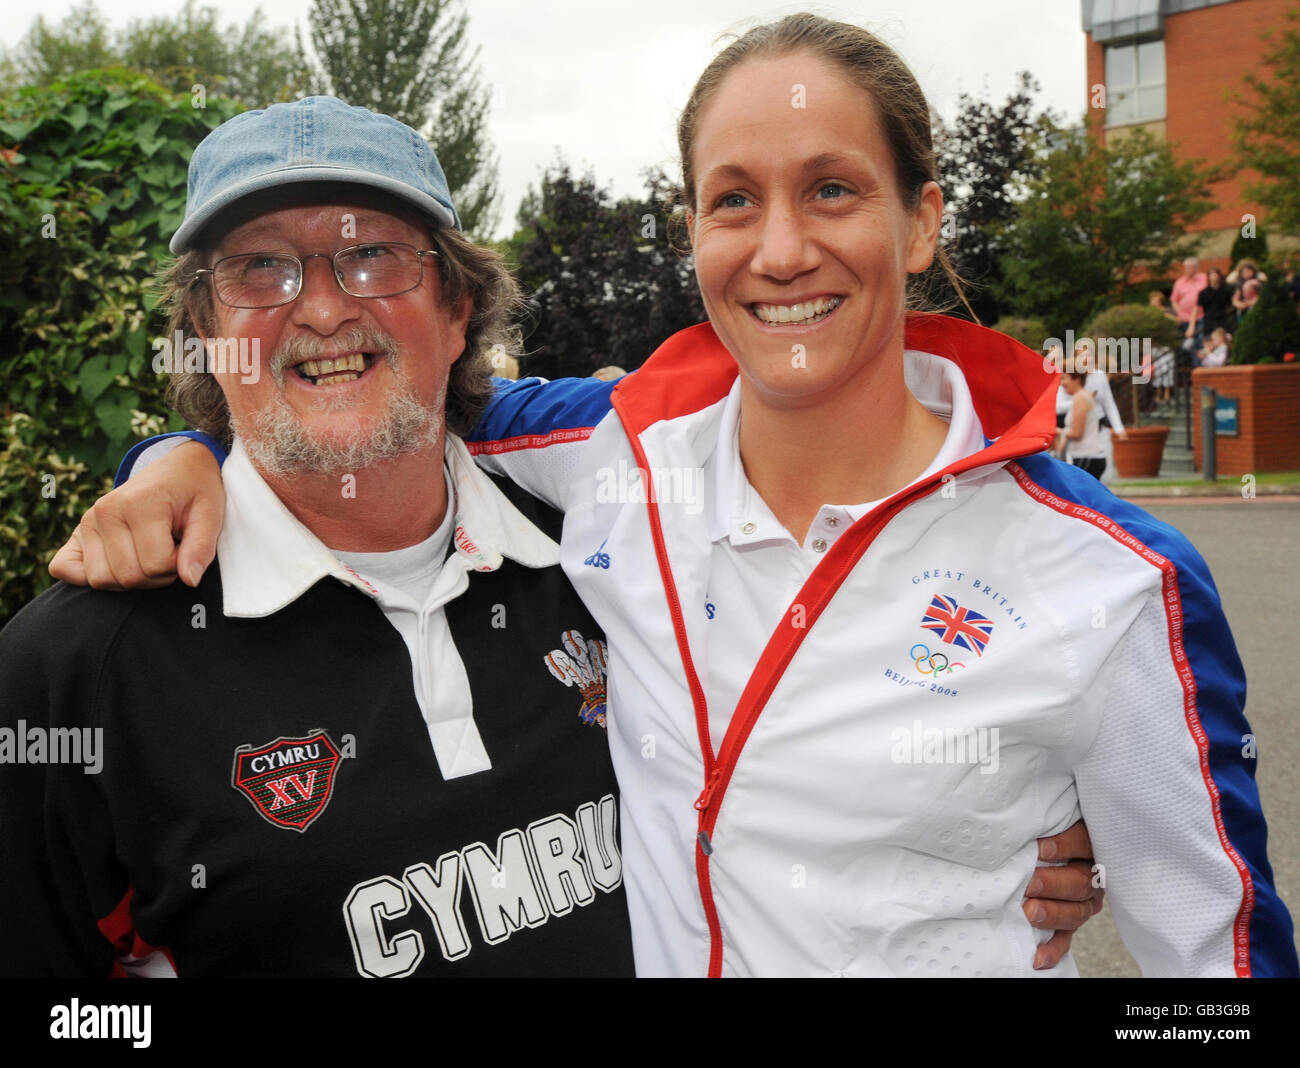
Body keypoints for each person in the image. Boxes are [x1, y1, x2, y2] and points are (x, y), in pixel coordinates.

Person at [51, 14, 1296, 977]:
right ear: (692, 231)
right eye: (733, 200)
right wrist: (177, 457)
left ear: (920, 222)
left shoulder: (1111, 579)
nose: (781, 249)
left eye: (833, 189)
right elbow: (357, 409)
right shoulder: (607, 451)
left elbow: (1218, 964)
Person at [0, 98, 636, 976]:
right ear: (207, 339)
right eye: (260, 268)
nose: (325, 309)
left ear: (457, 310)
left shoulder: (612, 561)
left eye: (372, 255)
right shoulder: (72, 668)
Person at [1055, 371, 1106, 479]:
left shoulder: (1080, 398)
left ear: (1077, 378)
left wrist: (1056, 431)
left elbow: (1077, 433)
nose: (1061, 383)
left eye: (1064, 378)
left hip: (1086, 456)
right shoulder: (1082, 396)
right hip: (1086, 456)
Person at [1170, 257, 1207, 344]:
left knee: (1202, 342)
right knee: (1189, 344)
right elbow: (1174, 300)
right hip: (1185, 318)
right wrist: (1179, 312)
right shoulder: (1179, 282)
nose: (1189, 269)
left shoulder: (1205, 278)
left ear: (1197, 268)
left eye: (1191, 267)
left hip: (1202, 316)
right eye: (1187, 267)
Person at [1195, 267, 1236, 338]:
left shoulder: (1226, 291)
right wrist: (1192, 325)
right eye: (1211, 275)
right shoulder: (1203, 293)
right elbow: (1197, 308)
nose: (1214, 277)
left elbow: (1232, 304)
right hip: (1208, 321)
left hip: (1223, 320)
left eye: (1215, 274)